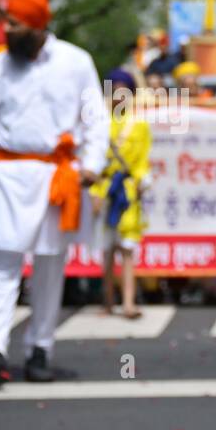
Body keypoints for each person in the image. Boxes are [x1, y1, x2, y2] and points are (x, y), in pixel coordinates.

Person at [0, 0, 109, 383]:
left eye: (13, 23)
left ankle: (40, 349)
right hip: (6, 175)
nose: (6, 30)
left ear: (35, 24)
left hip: (57, 177)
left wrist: (92, 164)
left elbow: (95, 119)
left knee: (50, 265)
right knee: (3, 259)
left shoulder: (76, 62)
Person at [92, 68, 152, 319]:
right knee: (107, 250)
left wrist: (140, 182)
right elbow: (94, 161)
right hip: (106, 190)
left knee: (127, 249)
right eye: (115, 91)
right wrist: (95, 191)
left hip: (126, 193)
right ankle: (108, 302)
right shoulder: (100, 124)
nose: (119, 96)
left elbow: (142, 162)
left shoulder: (139, 126)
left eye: (124, 91)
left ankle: (128, 303)